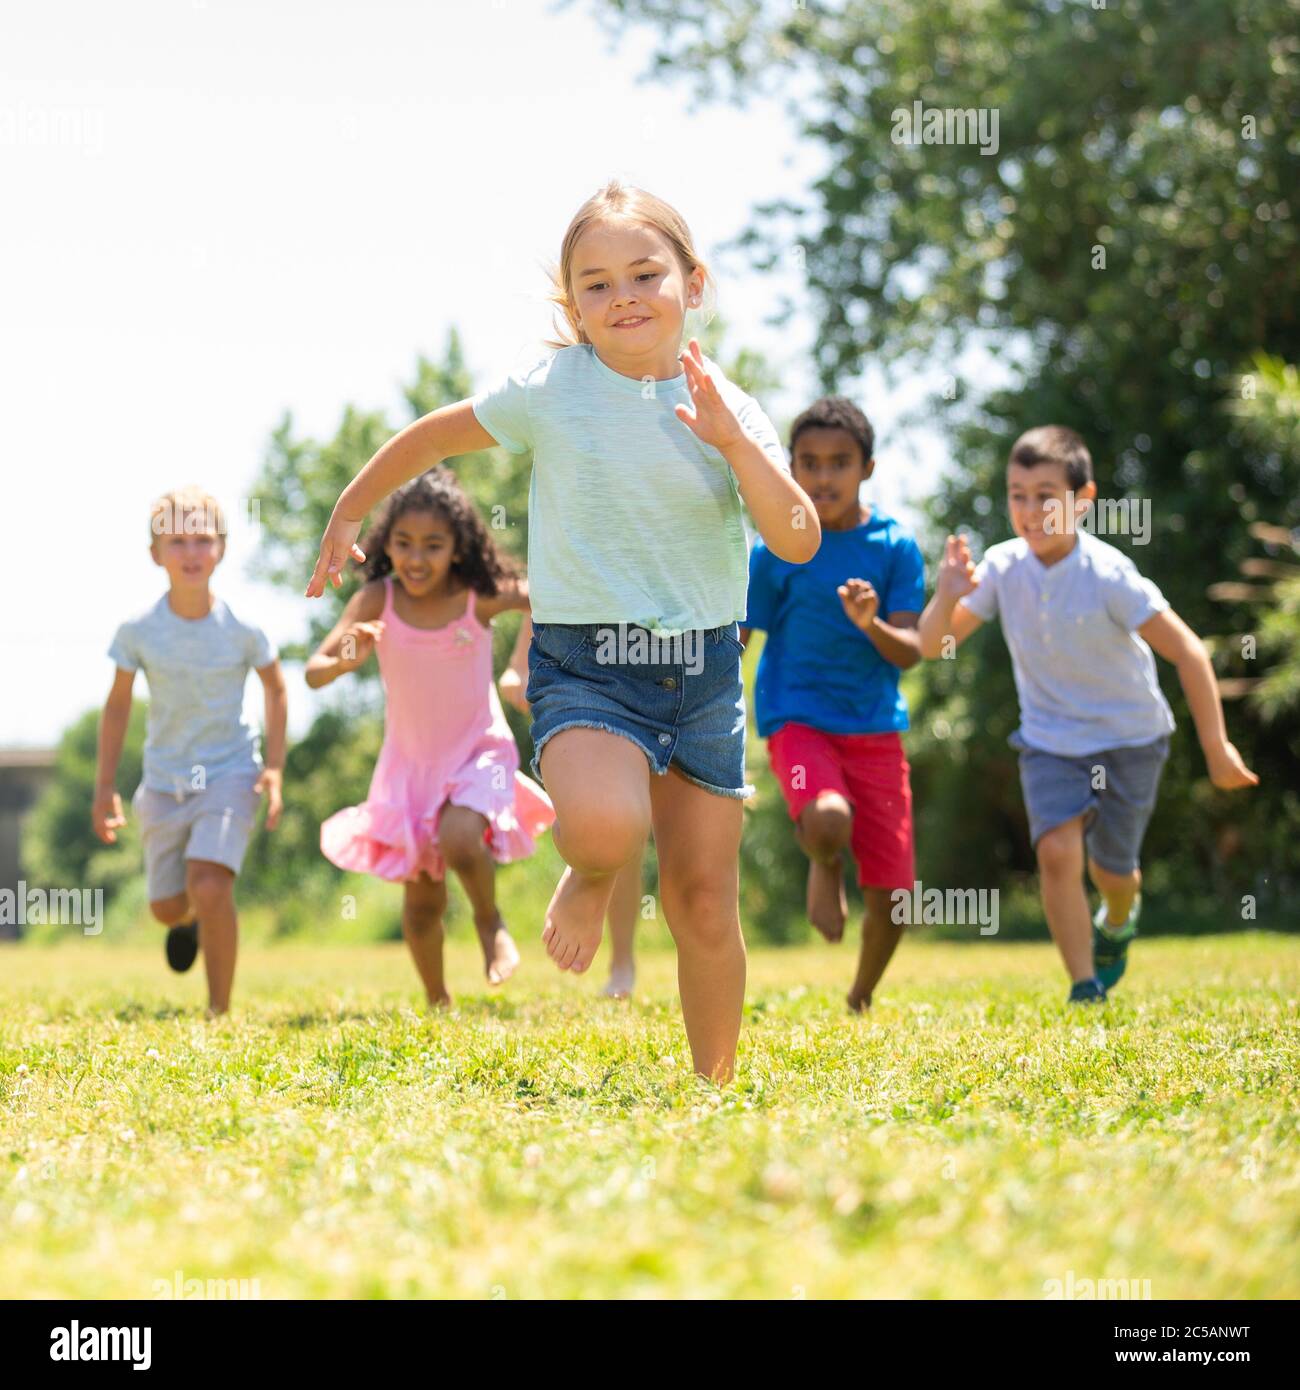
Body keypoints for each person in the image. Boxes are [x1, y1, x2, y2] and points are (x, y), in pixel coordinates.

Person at [305, 180, 819, 1078]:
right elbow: (435, 438)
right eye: (594, 283)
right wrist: (353, 507)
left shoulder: (729, 408)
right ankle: (590, 876)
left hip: (702, 673)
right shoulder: (555, 390)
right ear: (573, 307)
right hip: (587, 663)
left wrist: (736, 446)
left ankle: (715, 1087)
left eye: (644, 273)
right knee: (606, 824)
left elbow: (798, 538)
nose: (621, 295)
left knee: (704, 900)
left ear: (693, 284)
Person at [918, 425, 1258, 1002]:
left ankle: (1119, 918)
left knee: (1113, 874)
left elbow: (1189, 651)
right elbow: (932, 646)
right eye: (1017, 494)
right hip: (1050, 740)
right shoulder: (1001, 568)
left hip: (1131, 739)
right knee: (1054, 851)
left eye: (1046, 495)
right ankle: (1084, 985)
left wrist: (1217, 748)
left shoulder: (1108, 575)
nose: (1029, 510)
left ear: (1084, 499)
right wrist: (948, 592)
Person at [309, 468, 553, 1005]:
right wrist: (347, 656)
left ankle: (490, 923)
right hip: (411, 768)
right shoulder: (379, 600)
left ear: (458, 547)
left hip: (479, 753)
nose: (417, 559)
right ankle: (437, 1000)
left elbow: (542, 597)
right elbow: (314, 670)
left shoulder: (476, 598)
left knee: (461, 838)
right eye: (404, 544)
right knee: (421, 906)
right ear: (386, 543)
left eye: (433, 546)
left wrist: (520, 668)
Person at [740, 397, 924, 1011]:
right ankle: (823, 862)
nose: (823, 478)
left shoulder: (895, 546)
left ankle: (860, 996)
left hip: (875, 730)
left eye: (839, 463)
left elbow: (910, 652)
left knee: (896, 897)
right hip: (797, 722)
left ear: (867, 468)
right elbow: (739, 636)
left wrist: (871, 624)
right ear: (789, 468)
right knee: (826, 815)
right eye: (809, 464)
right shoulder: (776, 550)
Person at [93, 486, 286, 1016]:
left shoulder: (243, 629)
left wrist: (273, 767)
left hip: (229, 772)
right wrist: (104, 787)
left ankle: (218, 1010)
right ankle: (189, 921)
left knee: (210, 882)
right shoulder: (138, 631)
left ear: (221, 548)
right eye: (177, 540)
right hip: (163, 781)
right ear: (156, 554)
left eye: (202, 538)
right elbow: (116, 709)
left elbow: (276, 687)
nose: (191, 551)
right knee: (167, 906)